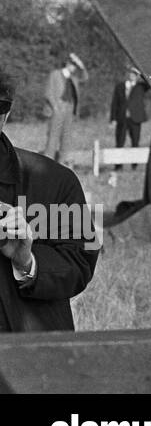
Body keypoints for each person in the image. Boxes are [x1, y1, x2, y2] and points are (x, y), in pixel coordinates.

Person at [0, 67, 98, 331]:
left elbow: (81, 261)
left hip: (28, 358)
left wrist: (26, 260)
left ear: (5, 114)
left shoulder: (56, 181)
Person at [43, 51, 87, 163]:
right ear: (67, 64)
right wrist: (55, 106)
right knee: (53, 137)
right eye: (73, 65)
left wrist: (81, 64)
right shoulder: (55, 74)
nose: (74, 68)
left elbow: (85, 77)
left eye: (76, 66)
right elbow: (48, 92)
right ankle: (48, 163)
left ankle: (62, 163)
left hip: (70, 108)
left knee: (66, 138)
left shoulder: (74, 78)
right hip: (58, 107)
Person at [109, 65, 150, 149]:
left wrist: (141, 73)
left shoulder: (141, 86)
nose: (132, 75)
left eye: (135, 74)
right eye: (131, 73)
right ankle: (118, 162)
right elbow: (115, 103)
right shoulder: (120, 86)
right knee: (119, 143)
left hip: (135, 118)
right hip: (122, 118)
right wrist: (113, 118)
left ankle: (135, 162)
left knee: (135, 143)